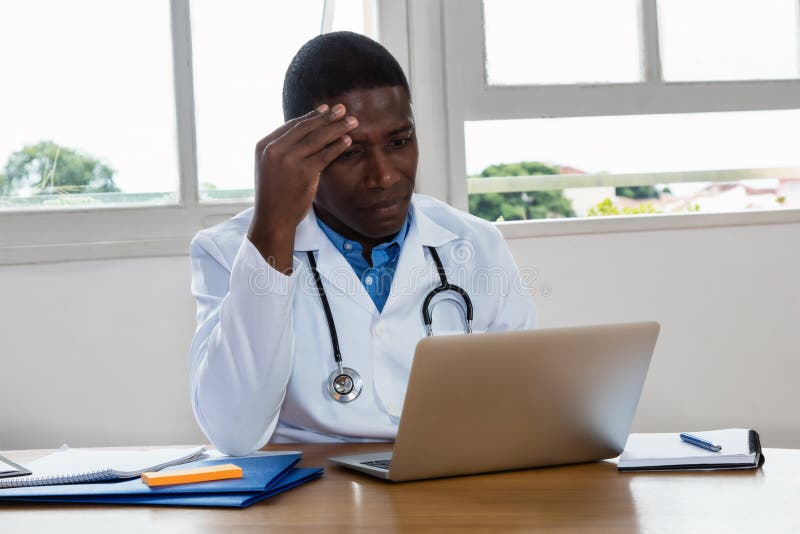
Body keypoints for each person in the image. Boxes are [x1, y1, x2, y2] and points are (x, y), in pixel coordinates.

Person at [189, 32, 536, 455]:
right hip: (307, 494)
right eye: (350, 153)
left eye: (399, 142)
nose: (384, 176)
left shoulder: (477, 245)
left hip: (446, 481)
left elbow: (525, 407)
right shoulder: (229, 251)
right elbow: (234, 433)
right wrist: (272, 231)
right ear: (302, 156)